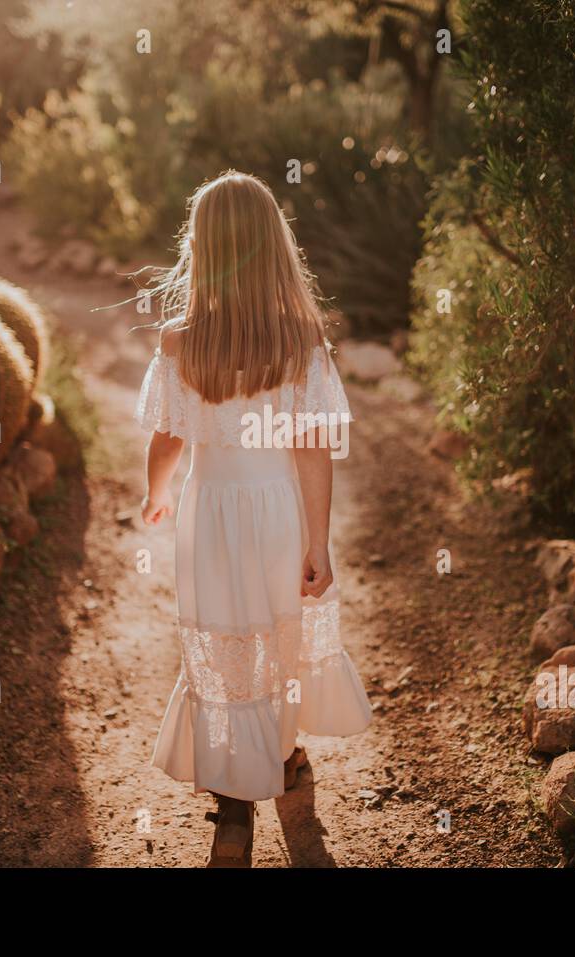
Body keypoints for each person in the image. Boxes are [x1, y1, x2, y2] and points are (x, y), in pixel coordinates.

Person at [136, 170, 372, 867]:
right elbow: (313, 449)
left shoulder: (182, 341)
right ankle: (287, 763)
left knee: (224, 644)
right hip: (277, 512)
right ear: (274, 246)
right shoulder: (299, 338)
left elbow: (169, 437)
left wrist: (156, 492)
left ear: (202, 248)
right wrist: (319, 543)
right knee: (281, 638)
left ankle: (234, 811)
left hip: (210, 515)